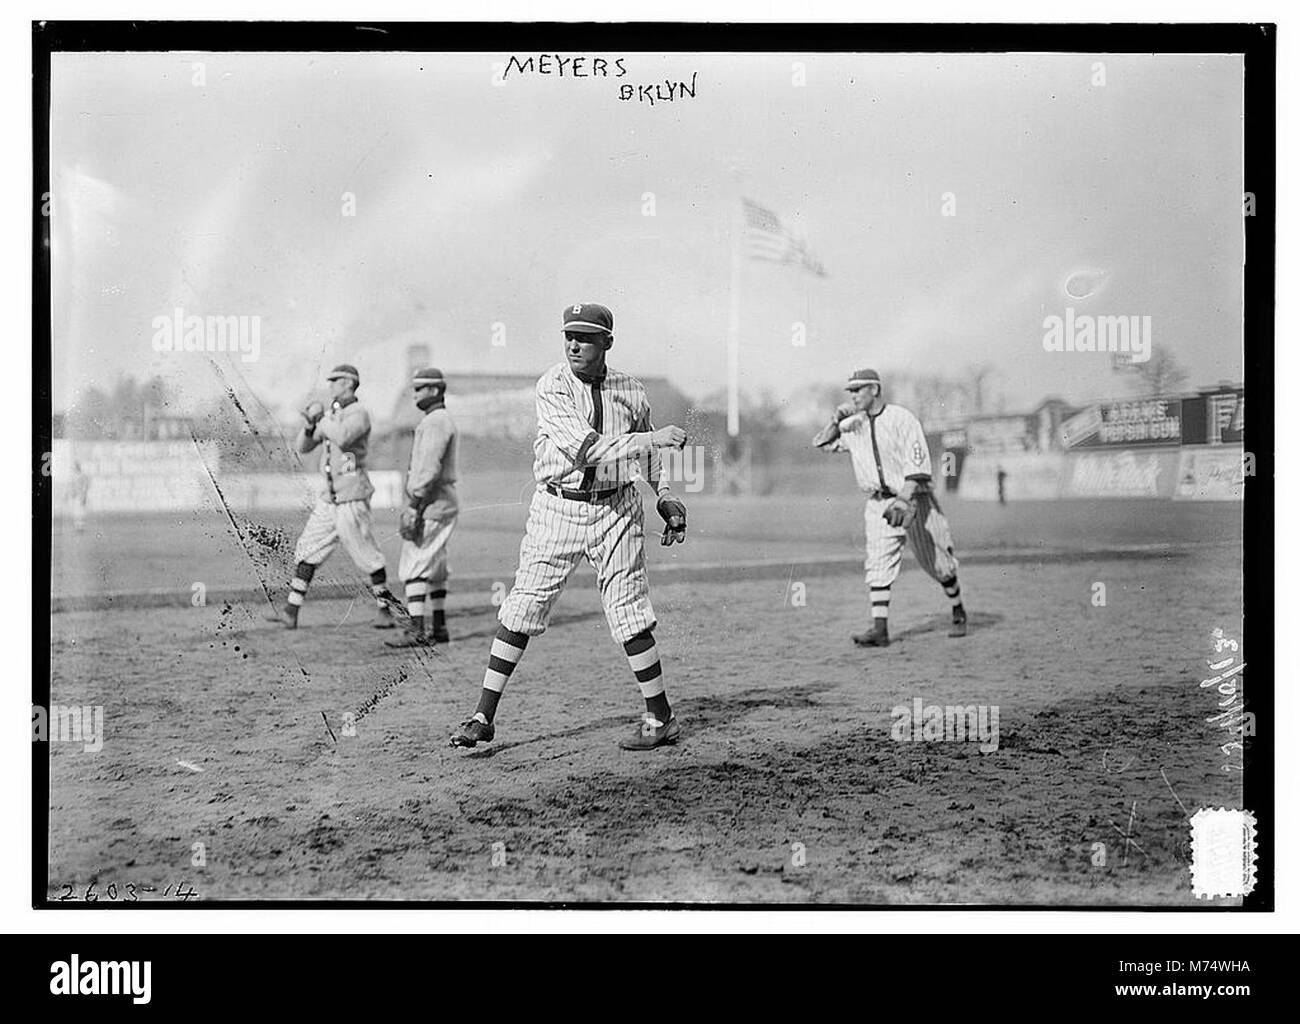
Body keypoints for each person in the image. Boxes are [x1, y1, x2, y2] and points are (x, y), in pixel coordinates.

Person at [449, 302, 689, 751]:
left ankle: (661, 720)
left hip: (616, 509)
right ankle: (483, 715)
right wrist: (649, 439)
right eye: (569, 336)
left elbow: (648, 456)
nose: (574, 344)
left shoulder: (632, 391)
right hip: (558, 507)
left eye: (586, 337)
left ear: (607, 343)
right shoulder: (553, 385)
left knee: (629, 611)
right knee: (523, 606)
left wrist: (665, 494)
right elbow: (586, 449)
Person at [814, 367, 967, 646]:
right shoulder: (853, 424)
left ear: (874, 389)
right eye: (851, 390)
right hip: (877, 503)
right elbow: (822, 443)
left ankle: (957, 609)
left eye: (858, 389)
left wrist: (904, 498)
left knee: (939, 563)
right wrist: (836, 420)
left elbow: (918, 466)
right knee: (878, 563)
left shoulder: (902, 419)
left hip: (913, 498)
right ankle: (880, 630)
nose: (853, 395)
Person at [268, 364, 401, 629]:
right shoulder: (332, 415)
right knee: (307, 549)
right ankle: (291, 612)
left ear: (349, 383)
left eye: (335, 381)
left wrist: (322, 419)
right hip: (329, 498)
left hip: (352, 496)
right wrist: (309, 424)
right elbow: (303, 447)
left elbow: (342, 436)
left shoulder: (359, 413)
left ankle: (385, 611)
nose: (330, 386)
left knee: (367, 555)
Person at [386, 367, 459, 648]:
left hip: (431, 502)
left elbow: (428, 469)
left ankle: (417, 631)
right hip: (442, 501)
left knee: (414, 564)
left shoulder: (435, 421)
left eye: (419, 388)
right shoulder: (439, 419)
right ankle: (439, 628)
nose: (415, 393)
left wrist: (415, 504)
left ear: (435, 390)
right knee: (437, 564)